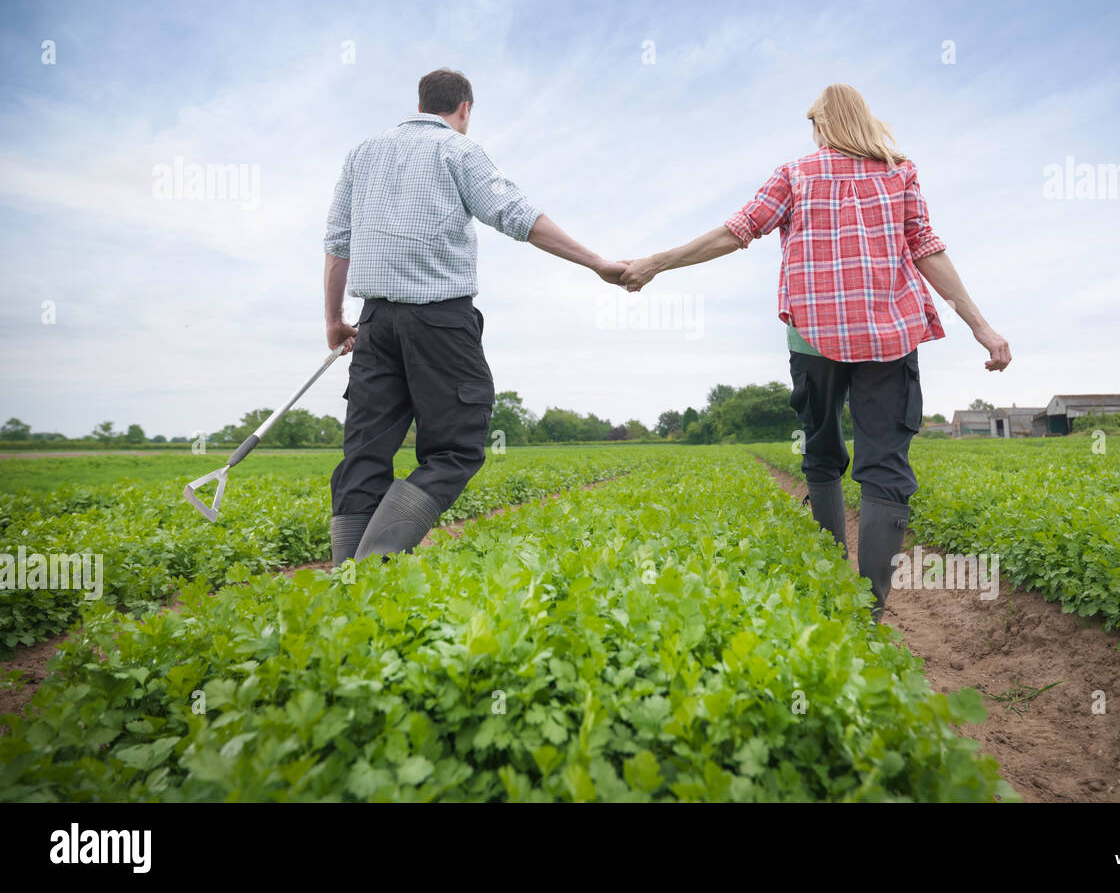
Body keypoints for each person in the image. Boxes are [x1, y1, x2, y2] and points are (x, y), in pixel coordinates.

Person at [621, 83, 1011, 622]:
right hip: (887, 336)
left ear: (822, 126)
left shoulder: (797, 173)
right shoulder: (900, 171)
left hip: (813, 336)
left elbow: (737, 232)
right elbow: (927, 248)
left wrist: (657, 262)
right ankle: (869, 611)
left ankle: (833, 590)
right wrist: (982, 326)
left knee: (823, 453)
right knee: (885, 465)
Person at [323, 69, 627, 565]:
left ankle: (346, 579)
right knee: (455, 449)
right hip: (439, 323)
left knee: (365, 453)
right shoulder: (459, 151)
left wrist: (335, 319)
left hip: (374, 323)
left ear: (419, 103)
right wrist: (597, 263)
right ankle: (371, 565)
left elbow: (337, 243)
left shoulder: (362, 154)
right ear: (464, 108)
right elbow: (515, 214)